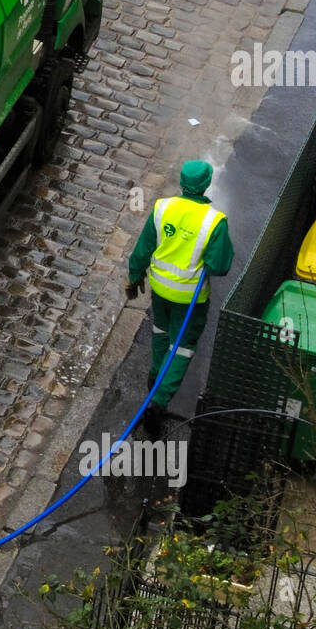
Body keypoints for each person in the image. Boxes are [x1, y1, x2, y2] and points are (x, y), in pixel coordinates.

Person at [126, 160, 234, 437]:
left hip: (159, 290)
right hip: (190, 299)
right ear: (206, 184)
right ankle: (158, 403)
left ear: (182, 181)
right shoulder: (214, 221)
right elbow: (220, 266)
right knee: (182, 347)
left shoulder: (162, 208)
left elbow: (143, 248)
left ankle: (155, 381)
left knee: (161, 335)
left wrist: (134, 276)